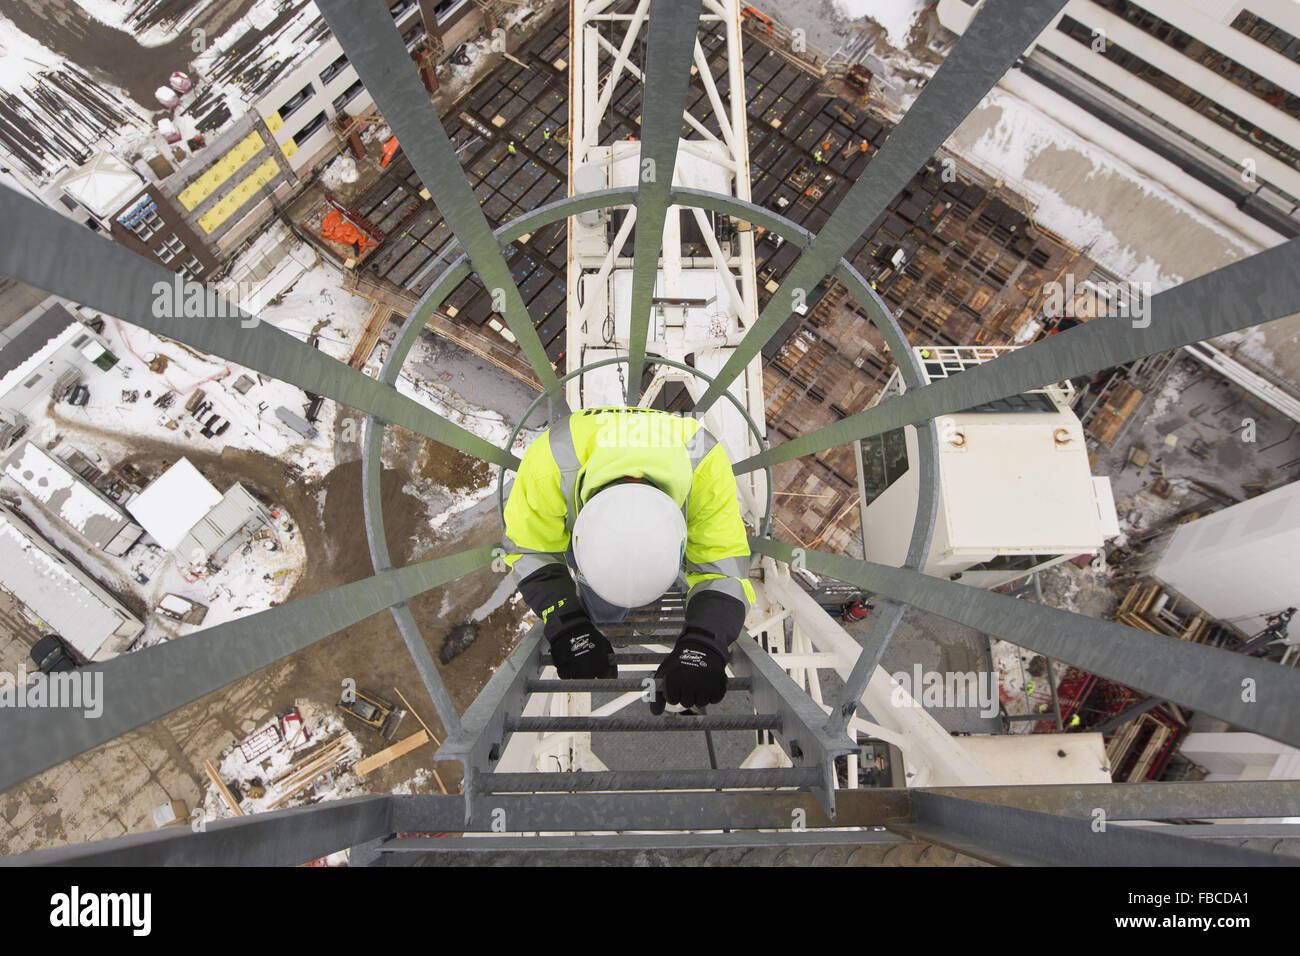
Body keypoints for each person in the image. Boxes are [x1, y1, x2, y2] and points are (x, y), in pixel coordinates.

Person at [503, 407, 754, 711]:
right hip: (583, 518)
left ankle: (620, 615)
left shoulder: (705, 463)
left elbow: (723, 566)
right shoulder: (550, 461)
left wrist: (703, 644)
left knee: (615, 589)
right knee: (601, 597)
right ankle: (609, 616)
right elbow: (531, 548)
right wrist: (569, 625)